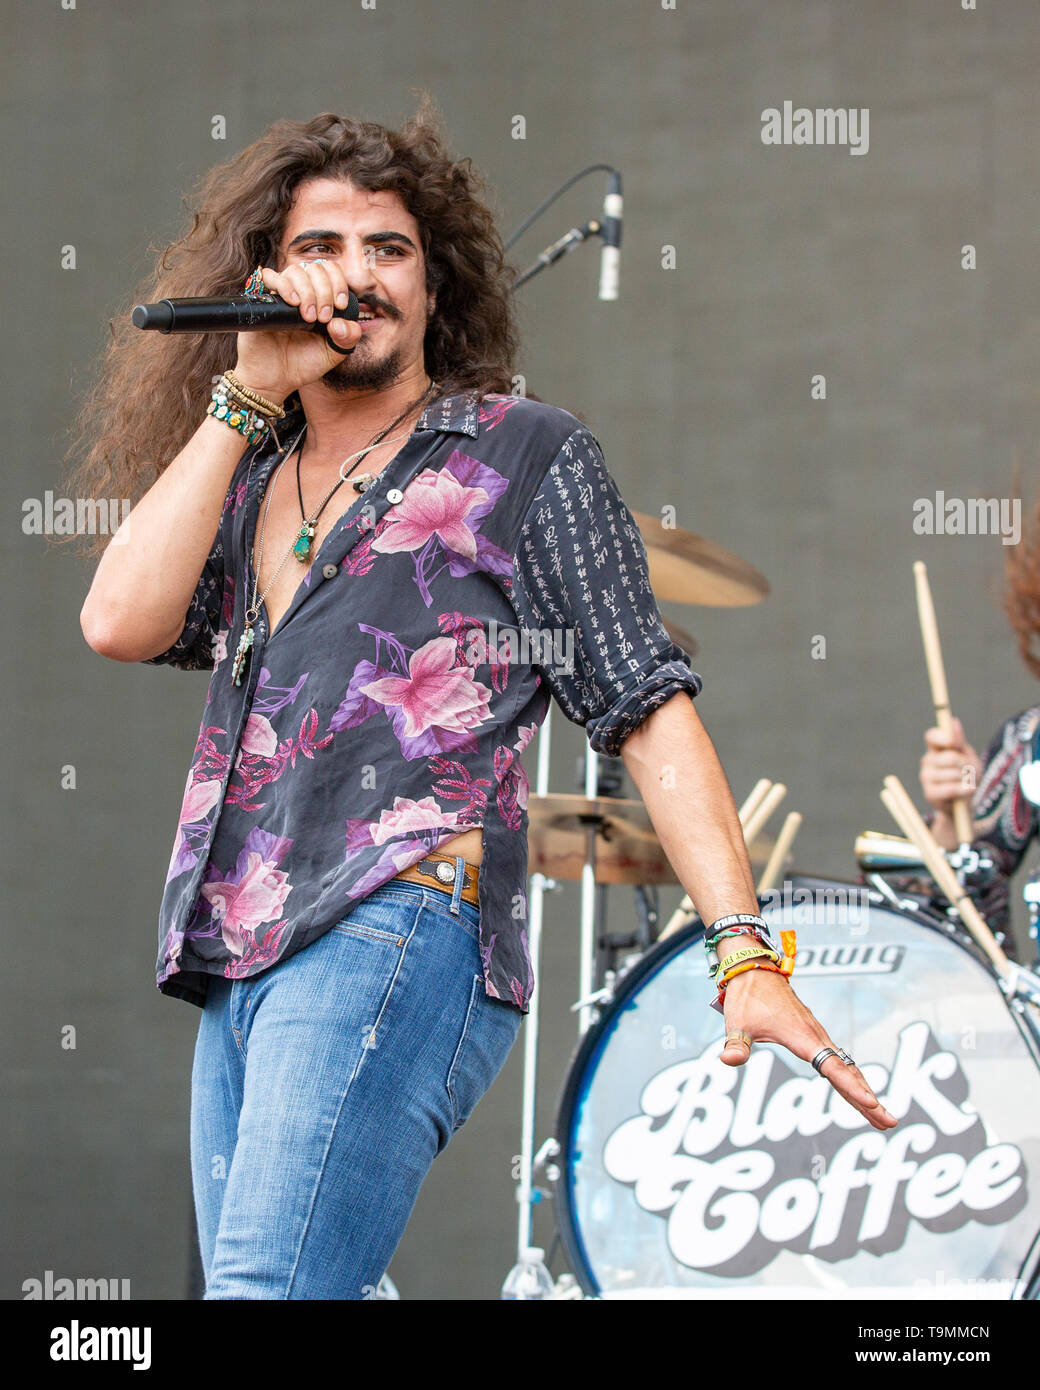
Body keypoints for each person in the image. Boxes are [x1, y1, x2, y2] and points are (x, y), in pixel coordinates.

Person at [72, 100, 894, 1300]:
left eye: (387, 248)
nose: (354, 275)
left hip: (398, 916)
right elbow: (117, 620)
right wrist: (243, 396)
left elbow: (645, 703)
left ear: (433, 284)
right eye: (318, 248)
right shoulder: (248, 476)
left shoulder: (517, 453)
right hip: (238, 944)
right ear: (268, 278)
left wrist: (742, 949)